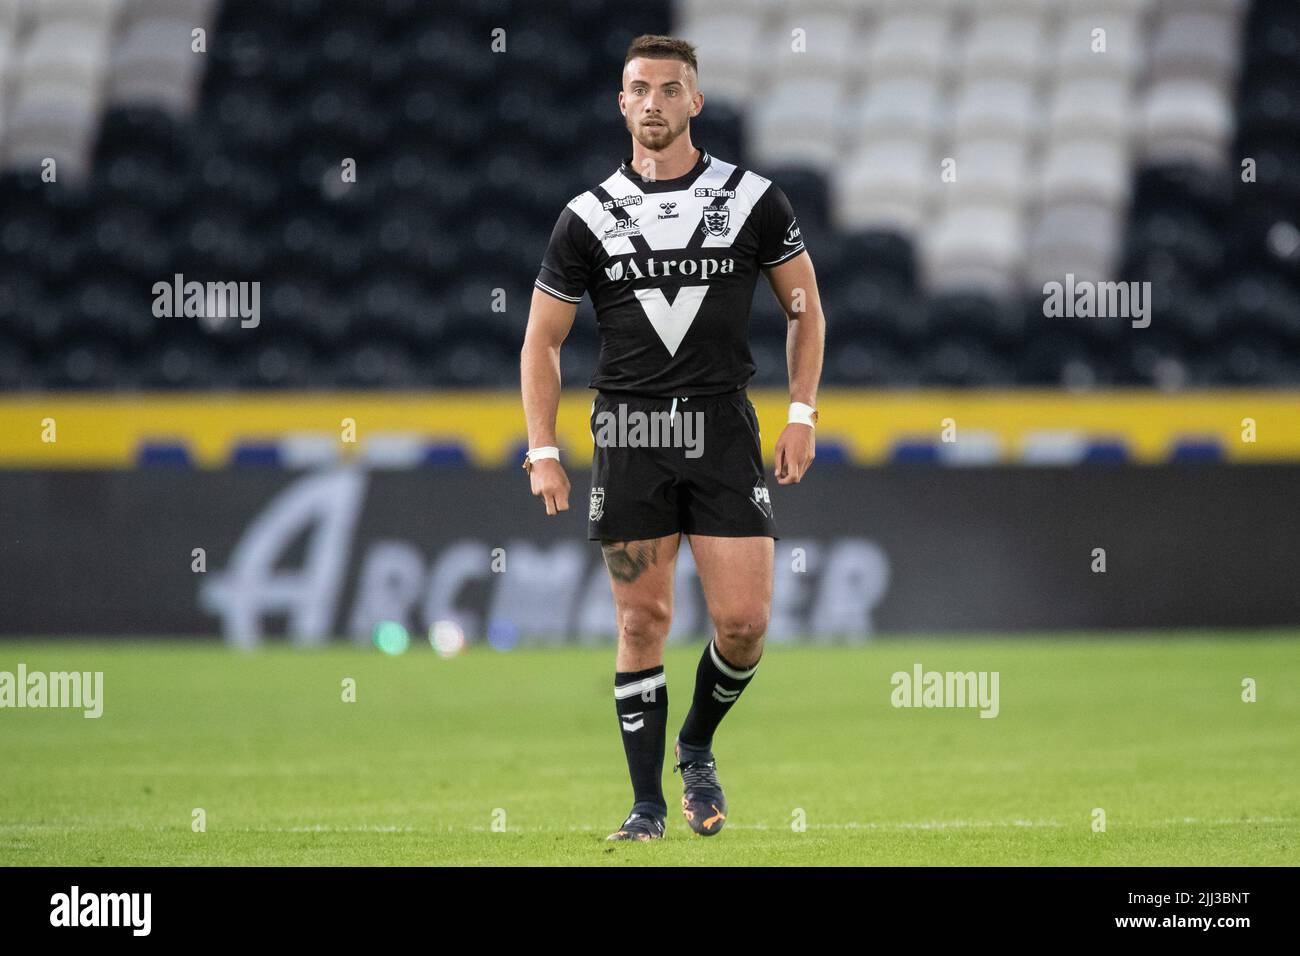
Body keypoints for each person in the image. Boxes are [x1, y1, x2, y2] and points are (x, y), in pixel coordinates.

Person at [519, 34, 825, 840]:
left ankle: (696, 743)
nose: (653, 102)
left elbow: (805, 310)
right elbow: (541, 341)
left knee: (744, 624)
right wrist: (541, 448)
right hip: (629, 432)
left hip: (723, 429)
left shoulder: (754, 199)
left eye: (669, 88)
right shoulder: (585, 217)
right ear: (621, 103)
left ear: (696, 101)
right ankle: (646, 806)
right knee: (640, 619)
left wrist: (801, 412)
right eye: (638, 89)